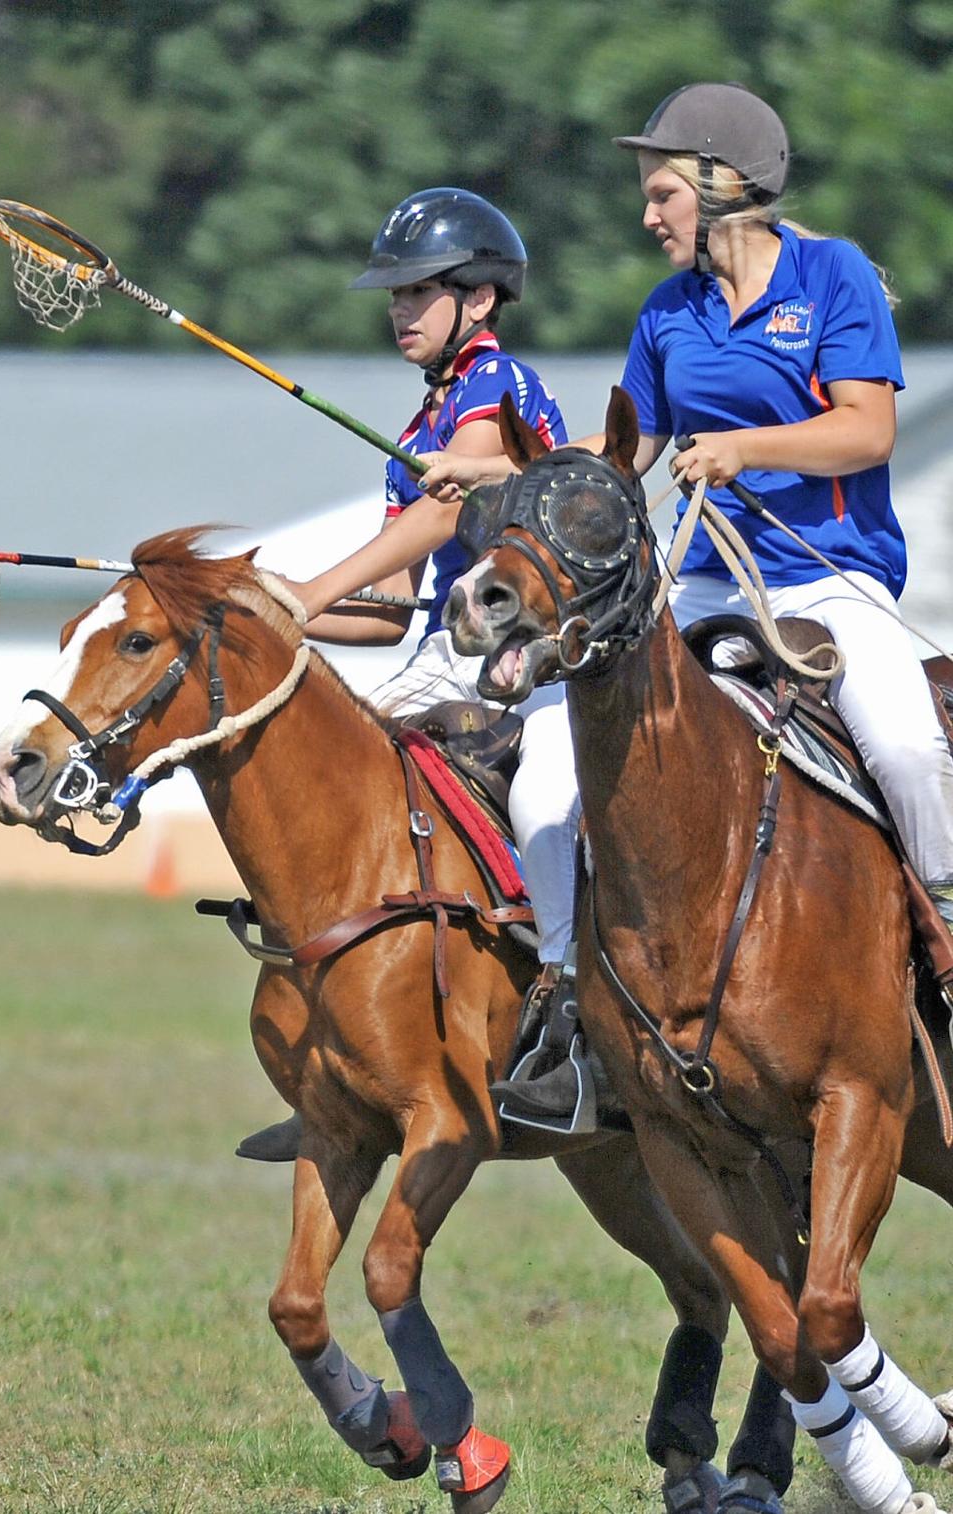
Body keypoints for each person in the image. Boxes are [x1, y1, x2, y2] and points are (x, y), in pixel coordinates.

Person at [422, 82, 953, 1125]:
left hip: (828, 574)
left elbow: (866, 433)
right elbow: (626, 456)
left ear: (723, 187)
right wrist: (488, 476)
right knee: (551, 771)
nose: (649, 215)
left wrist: (747, 446)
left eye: (662, 192)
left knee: (900, 740)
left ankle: (941, 927)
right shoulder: (668, 314)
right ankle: (570, 1012)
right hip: (701, 574)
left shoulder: (829, 277)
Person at [238, 187, 579, 1161]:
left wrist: (308, 592)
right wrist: (270, 604)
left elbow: (436, 521)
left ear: (479, 298)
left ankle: (563, 1013)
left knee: (548, 799)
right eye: (394, 291)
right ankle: (337, 1055)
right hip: (441, 655)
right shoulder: (430, 411)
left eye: (420, 289)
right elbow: (395, 607)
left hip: (532, 657)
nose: (400, 308)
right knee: (324, 780)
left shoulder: (492, 389)